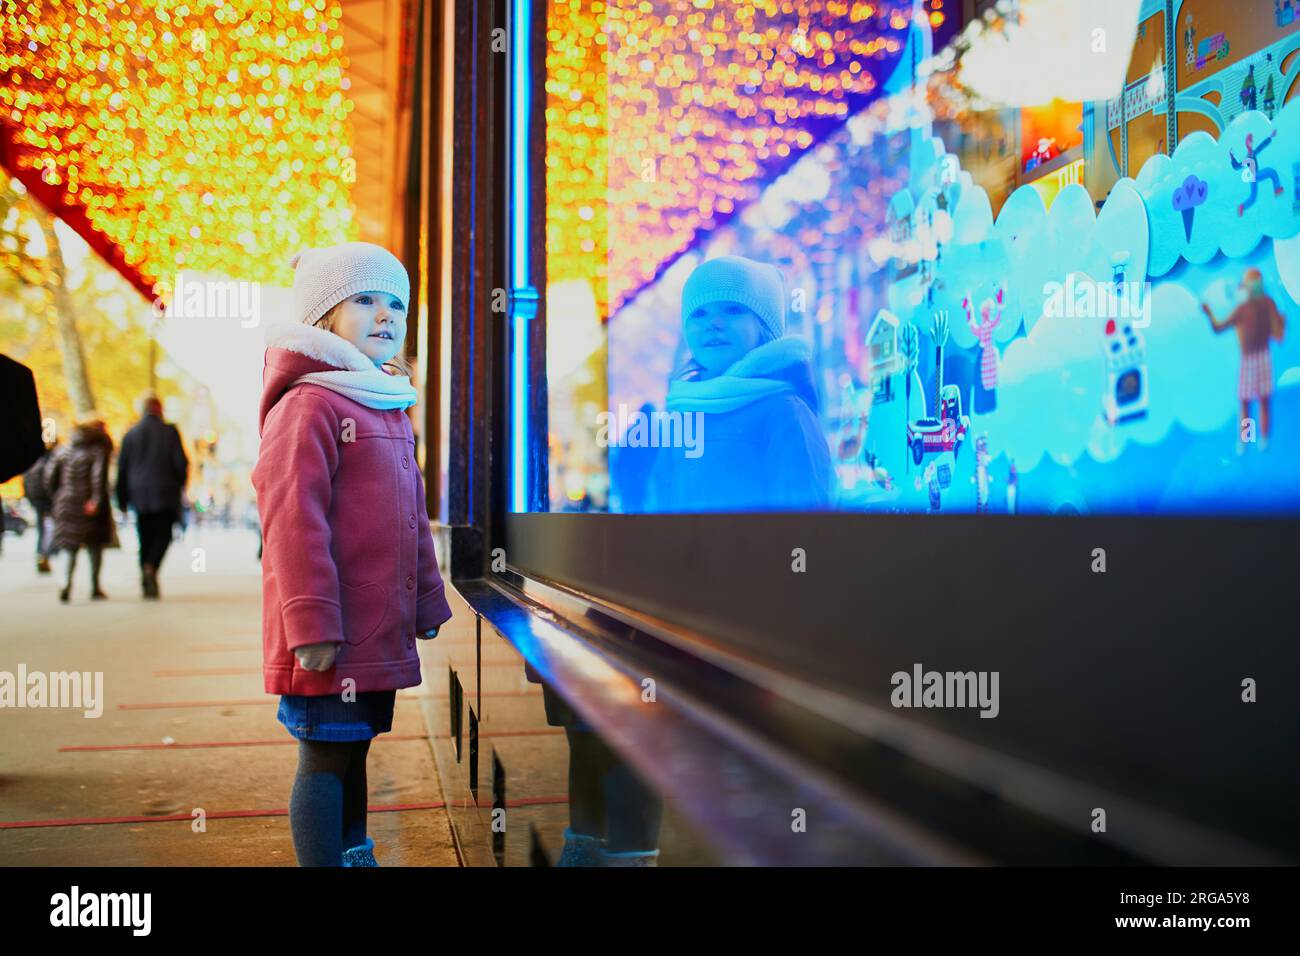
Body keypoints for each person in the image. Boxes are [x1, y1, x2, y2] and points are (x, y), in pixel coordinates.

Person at [252, 242, 452, 867]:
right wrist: (309, 623)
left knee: (355, 745)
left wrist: (426, 599)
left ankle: (352, 855)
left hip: (374, 628)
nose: (386, 314)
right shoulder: (310, 403)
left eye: (396, 303)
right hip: (328, 631)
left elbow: (410, 515)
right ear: (322, 317)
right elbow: (291, 520)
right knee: (325, 756)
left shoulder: (384, 402)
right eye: (364, 300)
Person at [646, 255, 834, 512]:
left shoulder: (785, 411)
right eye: (699, 313)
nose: (713, 323)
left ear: (764, 326)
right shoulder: (684, 412)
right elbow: (660, 501)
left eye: (733, 309)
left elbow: (805, 519)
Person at [1202, 267, 1286, 453]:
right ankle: (1248, 439)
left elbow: (1277, 335)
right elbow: (1218, 327)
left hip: (1262, 356)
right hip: (1248, 360)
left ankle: (1263, 437)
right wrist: (1208, 313)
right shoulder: (1243, 309)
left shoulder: (1267, 304)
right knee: (1246, 401)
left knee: (1262, 400)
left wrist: (1282, 323)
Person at [116, 394, 189, 598]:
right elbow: (181, 463)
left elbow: (122, 469)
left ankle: (146, 570)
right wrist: (180, 484)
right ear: (159, 408)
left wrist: (121, 499)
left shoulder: (130, 434)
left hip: (139, 495)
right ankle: (152, 567)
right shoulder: (170, 432)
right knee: (163, 535)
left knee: (144, 537)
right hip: (165, 492)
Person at [47, 416, 118, 602]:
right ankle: (94, 586)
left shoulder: (63, 450)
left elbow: (49, 478)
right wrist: (95, 500)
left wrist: (59, 496)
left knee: (70, 546)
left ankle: (66, 584)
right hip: (88, 504)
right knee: (94, 546)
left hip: (66, 503)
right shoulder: (97, 451)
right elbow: (98, 478)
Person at [22, 438, 59, 573]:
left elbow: (25, 483)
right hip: (46, 501)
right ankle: (44, 554)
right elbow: (49, 482)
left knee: (42, 529)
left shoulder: (32, 463)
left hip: (37, 500)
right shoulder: (48, 461)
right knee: (49, 528)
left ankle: (42, 553)